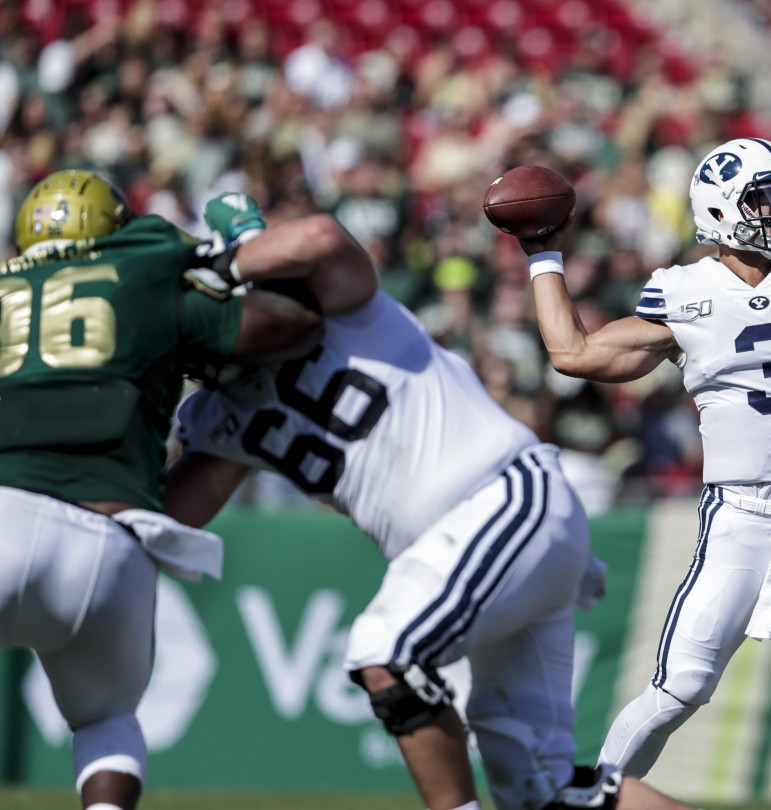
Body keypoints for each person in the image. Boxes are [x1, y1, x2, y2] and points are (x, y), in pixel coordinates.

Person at [165, 195, 696, 810]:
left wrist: (225, 264)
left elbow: (318, 236)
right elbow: (166, 515)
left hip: (503, 500)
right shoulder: (213, 418)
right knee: (544, 794)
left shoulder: (339, 304)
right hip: (492, 541)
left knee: (385, 649)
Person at [509, 137, 771, 804]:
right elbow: (574, 353)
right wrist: (543, 254)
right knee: (680, 686)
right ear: (719, 212)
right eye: (768, 202)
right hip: (740, 518)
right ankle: (589, 800)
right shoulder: (682, 292)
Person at [0, 170, 322, 810]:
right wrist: (249, 248)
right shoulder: (143, 281)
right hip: (108, 546)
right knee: (106, 720)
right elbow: (292, 325)